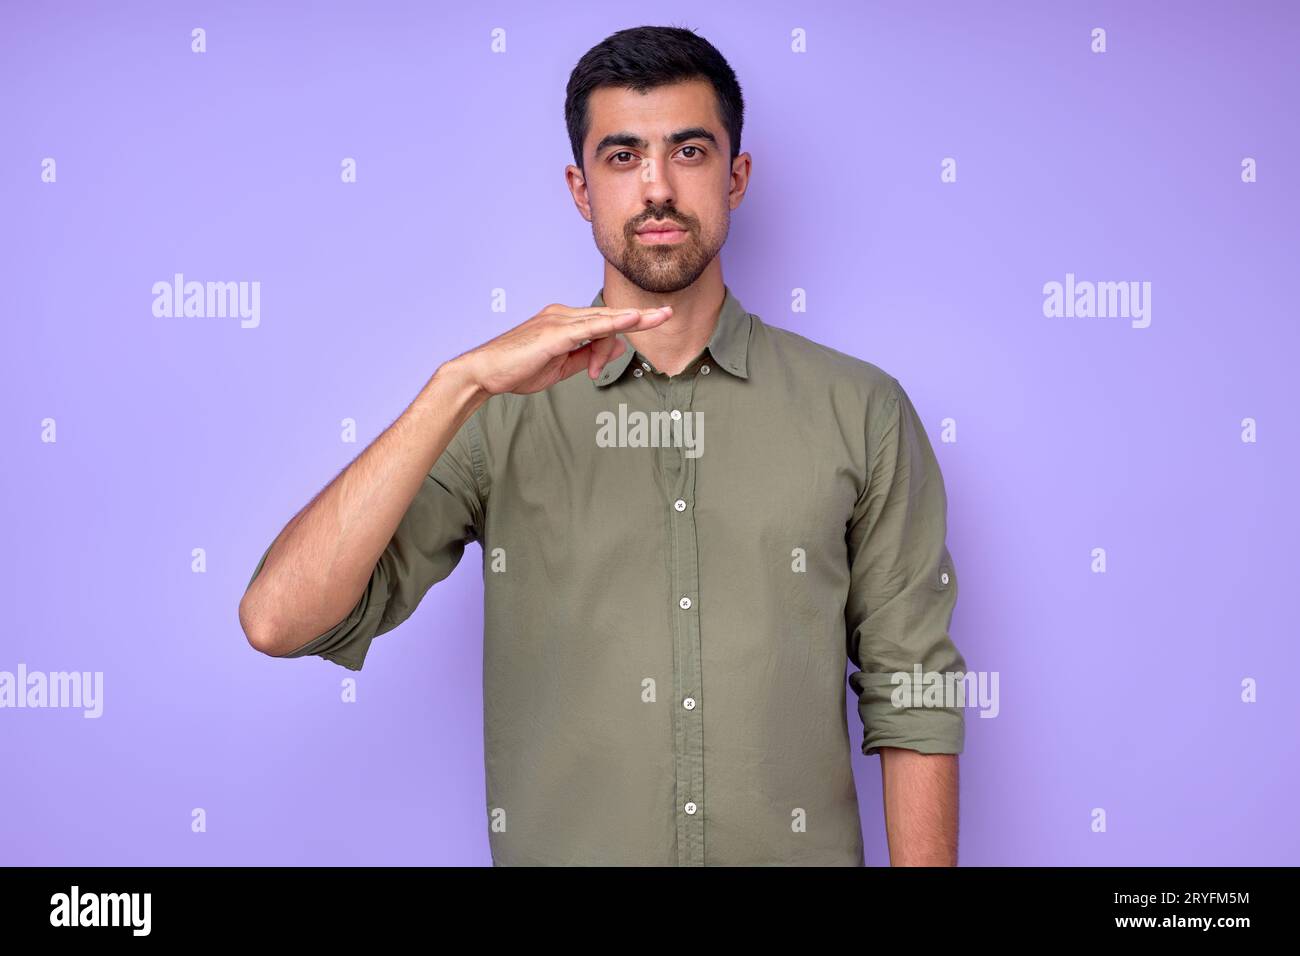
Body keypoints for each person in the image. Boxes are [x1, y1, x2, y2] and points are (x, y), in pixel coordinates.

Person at [239, 24, 968, 867]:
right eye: (623, 158)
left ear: (736, 176)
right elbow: (276, 619)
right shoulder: (495, 413)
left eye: (688, 151)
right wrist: (456, 384)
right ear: (581, 190)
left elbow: (914, 693)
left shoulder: (862, 410)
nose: (657, 187)